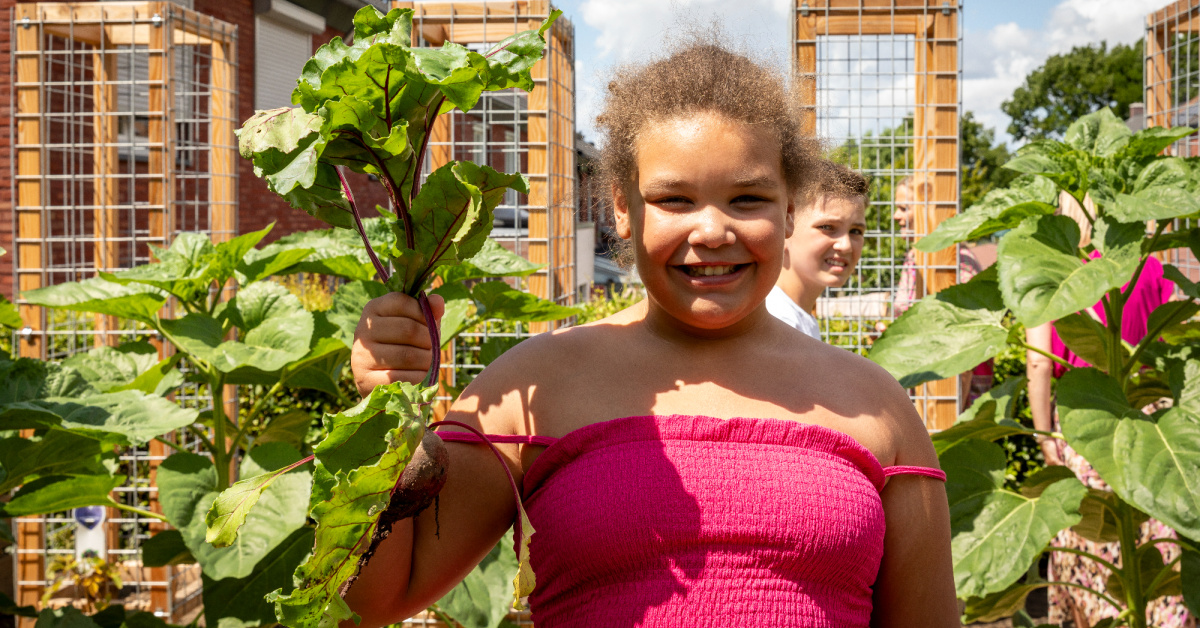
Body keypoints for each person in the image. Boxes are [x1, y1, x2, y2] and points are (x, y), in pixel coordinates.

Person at [347, 40, 958, 628]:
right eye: (674, 199)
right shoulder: (534, 387)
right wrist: (381, 410)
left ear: (789, 208)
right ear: (621, 206)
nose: (713, 230)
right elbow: (375, 599)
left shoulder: (878, 408)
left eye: (747, 198)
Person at [1026, 192, 1190, 627]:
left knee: (1091, 535)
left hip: (1086, 419)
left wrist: (1045, 437)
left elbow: (1040, 362)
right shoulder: (1149, 268)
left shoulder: (1054, 275)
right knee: (1156, 532)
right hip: (1148, 414)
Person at [891, 176, 991, 409]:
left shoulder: (958, 264)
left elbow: (964, 354)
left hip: (948, 405)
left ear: (929, 212)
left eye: (904, 208)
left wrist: (952, 422)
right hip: (921, 397)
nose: (896, 216)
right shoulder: (915, 257)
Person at [766, 161, 868, 340]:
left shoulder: (798, 319)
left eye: (855, 231)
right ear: (785, 228)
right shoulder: (778, 324)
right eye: (827, 227)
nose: (846, 245)